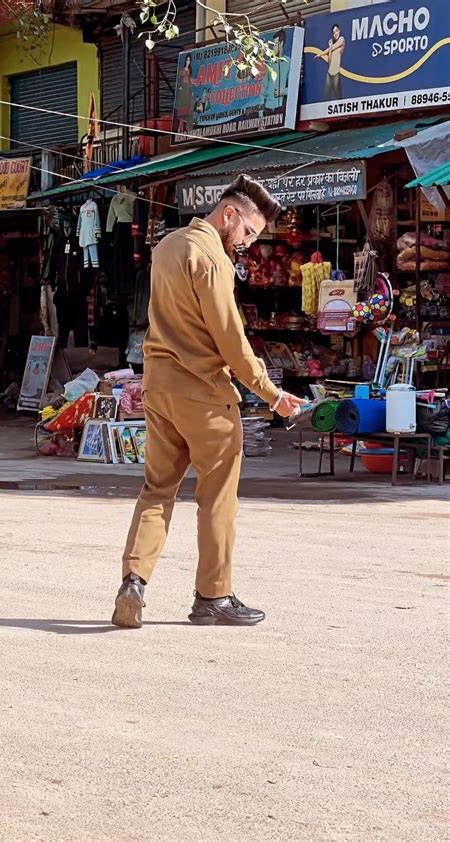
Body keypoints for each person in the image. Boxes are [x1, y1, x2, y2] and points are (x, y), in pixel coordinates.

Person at [111, 174, 306, 630]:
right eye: (248, 233)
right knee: (217, 498)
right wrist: (272, 394)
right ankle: (213, 597)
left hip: (158, 389)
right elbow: (231, 340)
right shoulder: (211, 258)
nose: (247, 244)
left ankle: (133, 582)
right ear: (229, 214)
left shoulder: (168, 247)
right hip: (204, 397)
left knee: (157, 490)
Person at [315, 23, 345, 101]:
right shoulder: (332, 47)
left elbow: (331, 48)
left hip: (336, 74)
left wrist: (323, 52)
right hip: (329, 74)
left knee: (339, 97)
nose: (335, 33)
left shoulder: (341, 39)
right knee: (326, 97)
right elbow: (329, 61)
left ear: (339, 31)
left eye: (336, 31)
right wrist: (327, 50)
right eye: (333, 32)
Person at [262, 30, 288, 115]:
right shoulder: (270, 64)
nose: (273, 48)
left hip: (281, 108)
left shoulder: (289, 62)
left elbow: (295, 86)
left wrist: (284, 91)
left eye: (275, 45)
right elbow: (264, 87)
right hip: (267, 109)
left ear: (281, 43)